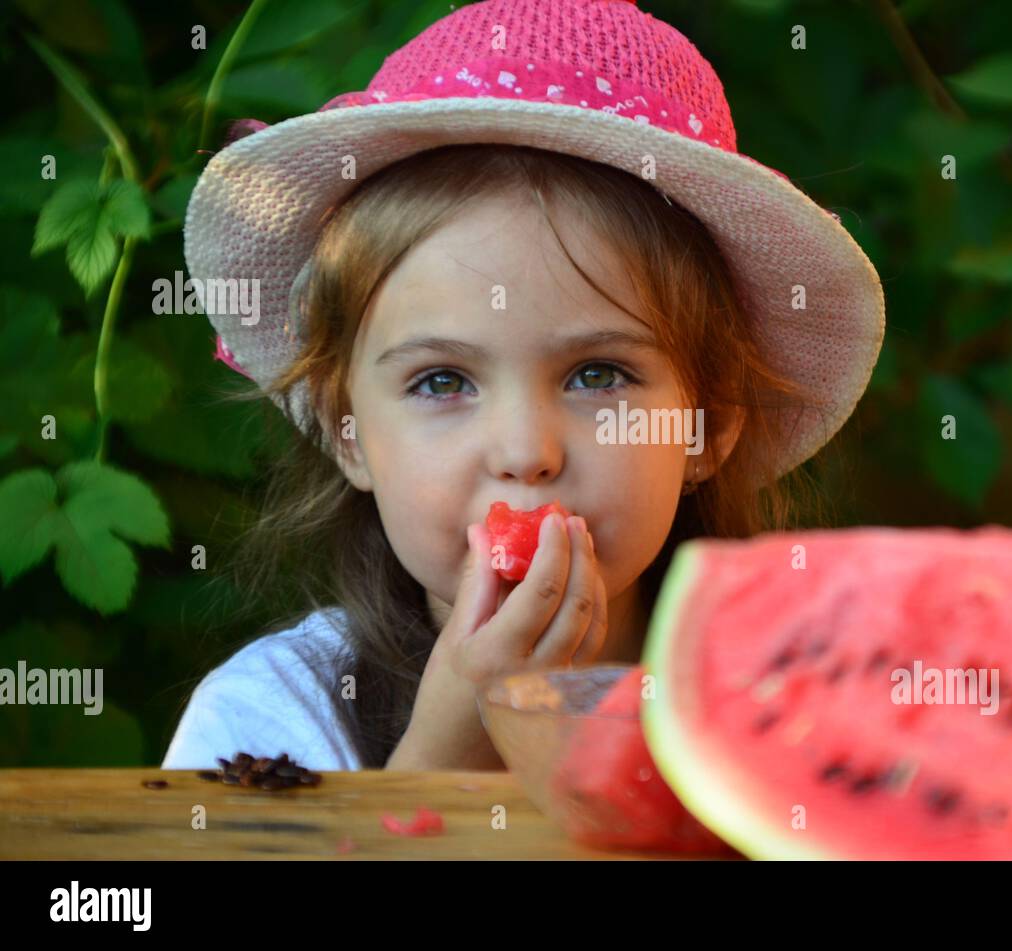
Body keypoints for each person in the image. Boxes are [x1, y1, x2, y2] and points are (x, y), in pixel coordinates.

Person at [162, 0, 884, 772]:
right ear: (349, 435)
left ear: (708, 426)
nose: (525, 452)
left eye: (597, 375)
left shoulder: (804, 709)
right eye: (442, 381)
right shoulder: (272, 712)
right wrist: (445, 757)